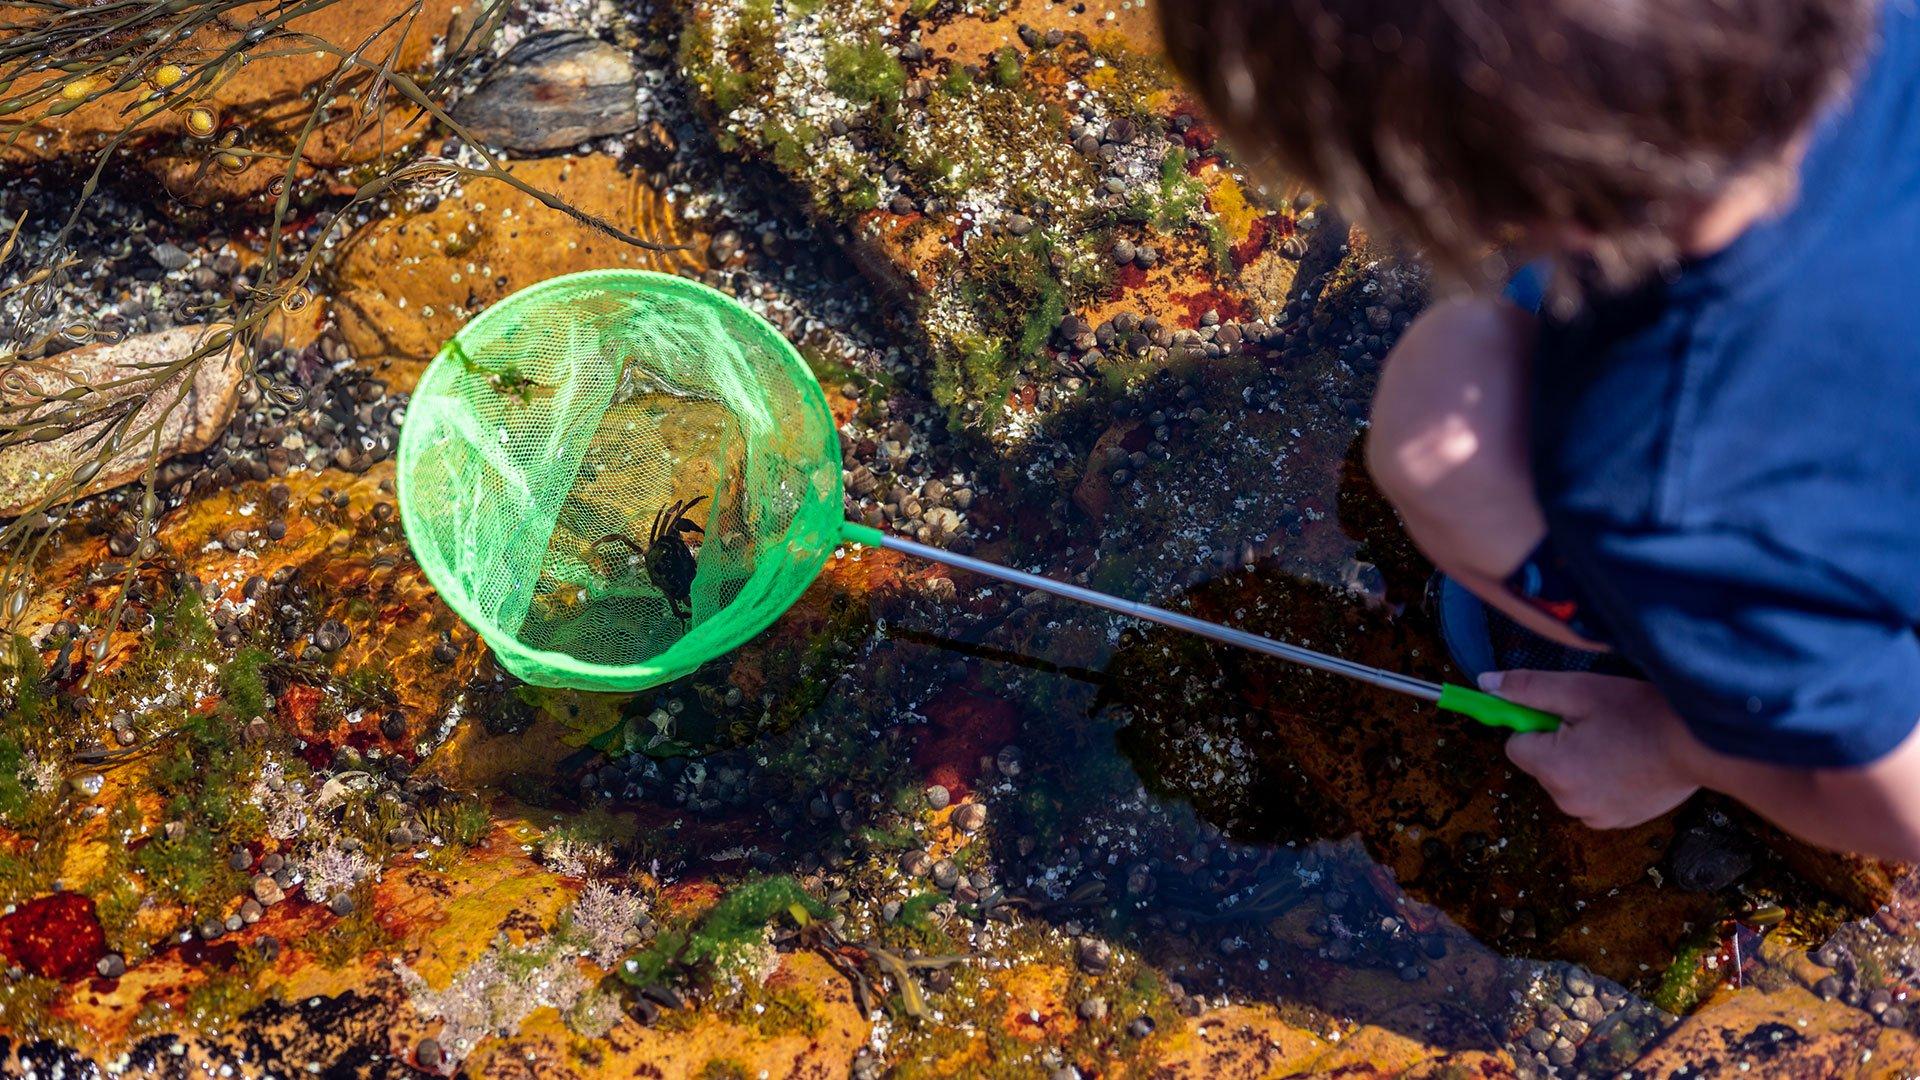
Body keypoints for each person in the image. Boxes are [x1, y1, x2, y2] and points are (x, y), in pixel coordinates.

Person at [1161, 0, 1920, 860]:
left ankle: (1658, 657)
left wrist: (1674, 745)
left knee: (1443, 413)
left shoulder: (1664, 476)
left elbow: (1907, 809)